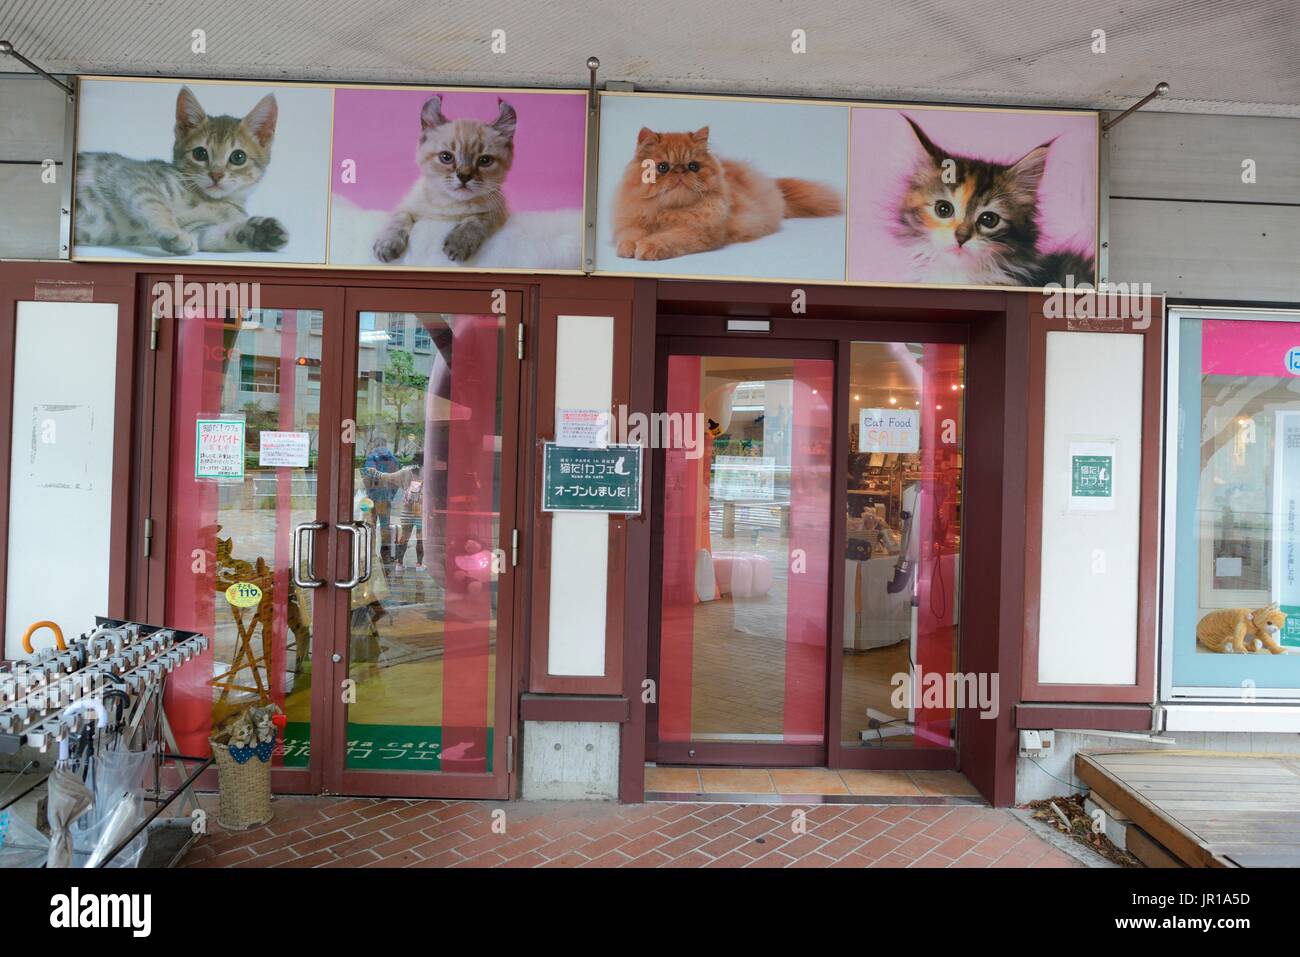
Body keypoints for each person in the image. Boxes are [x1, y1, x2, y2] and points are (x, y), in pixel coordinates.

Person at [365, 452, 424, 570]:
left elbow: (388, 476)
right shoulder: (427, 474)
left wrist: (375, 472)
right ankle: (419, 565)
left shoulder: (405, 472)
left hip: (407, 511)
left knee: (404, 537)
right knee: (420, 538)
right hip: (421, 511)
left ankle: (399, 564)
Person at [362, 440, 401, 567]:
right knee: (385, 526)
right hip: (385, 498)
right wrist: (390, 495)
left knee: (371, 525)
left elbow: (367, 478)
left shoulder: (371, 458)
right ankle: (386, 556)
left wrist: (368, 492)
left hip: (372, 498)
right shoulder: (394, 460)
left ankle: (372, 554)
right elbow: (396, 481)